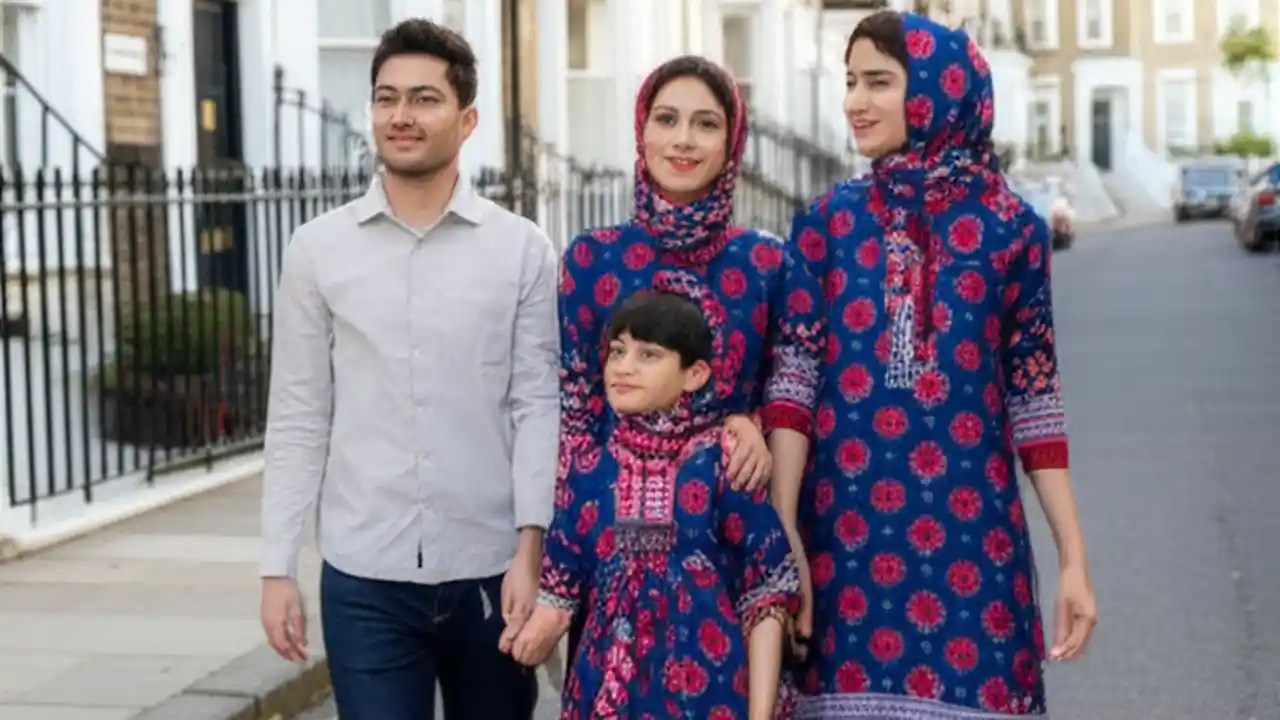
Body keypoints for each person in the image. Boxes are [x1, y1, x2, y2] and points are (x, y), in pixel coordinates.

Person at [789, 11, 1097, 718]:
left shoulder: (1012, 231)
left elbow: (1035, 403)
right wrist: (784, 539)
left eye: (878, 82)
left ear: (938, 89)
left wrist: (1073, 560)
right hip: (840, 552)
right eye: (849, 82)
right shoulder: (826, 224)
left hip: (974, 555)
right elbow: (792, 393)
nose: (855, 101)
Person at [257, 19, 559, 720]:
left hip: (491, 570)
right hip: (366, 574)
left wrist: (532, 549)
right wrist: (277, 566)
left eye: (424, 99)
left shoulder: (521, 250)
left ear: (467, 119)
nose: (401, 115)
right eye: (387, 98)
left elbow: (537, 405)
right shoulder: (317, 250)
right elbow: (299, 415)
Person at [547, 55, 826, 668]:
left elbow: (793, 403)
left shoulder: (767, 266)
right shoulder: (591, 261)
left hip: (729, 554)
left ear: (732, 142)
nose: (683, 140)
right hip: (614, 556)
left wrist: (750, 426)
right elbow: (576, 422)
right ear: (641, 129)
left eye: (705, 124)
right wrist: (559, 574)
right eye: (667, 119)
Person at [504, 289, 801, 719]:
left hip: (707, 696)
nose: (624, 367)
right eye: (618, 351)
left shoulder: (723, 463)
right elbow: (559, 591)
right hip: (604, 693)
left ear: (695, 374)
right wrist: (533, 633)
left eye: (648, 355)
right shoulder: (587, 471)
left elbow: (766, 596)